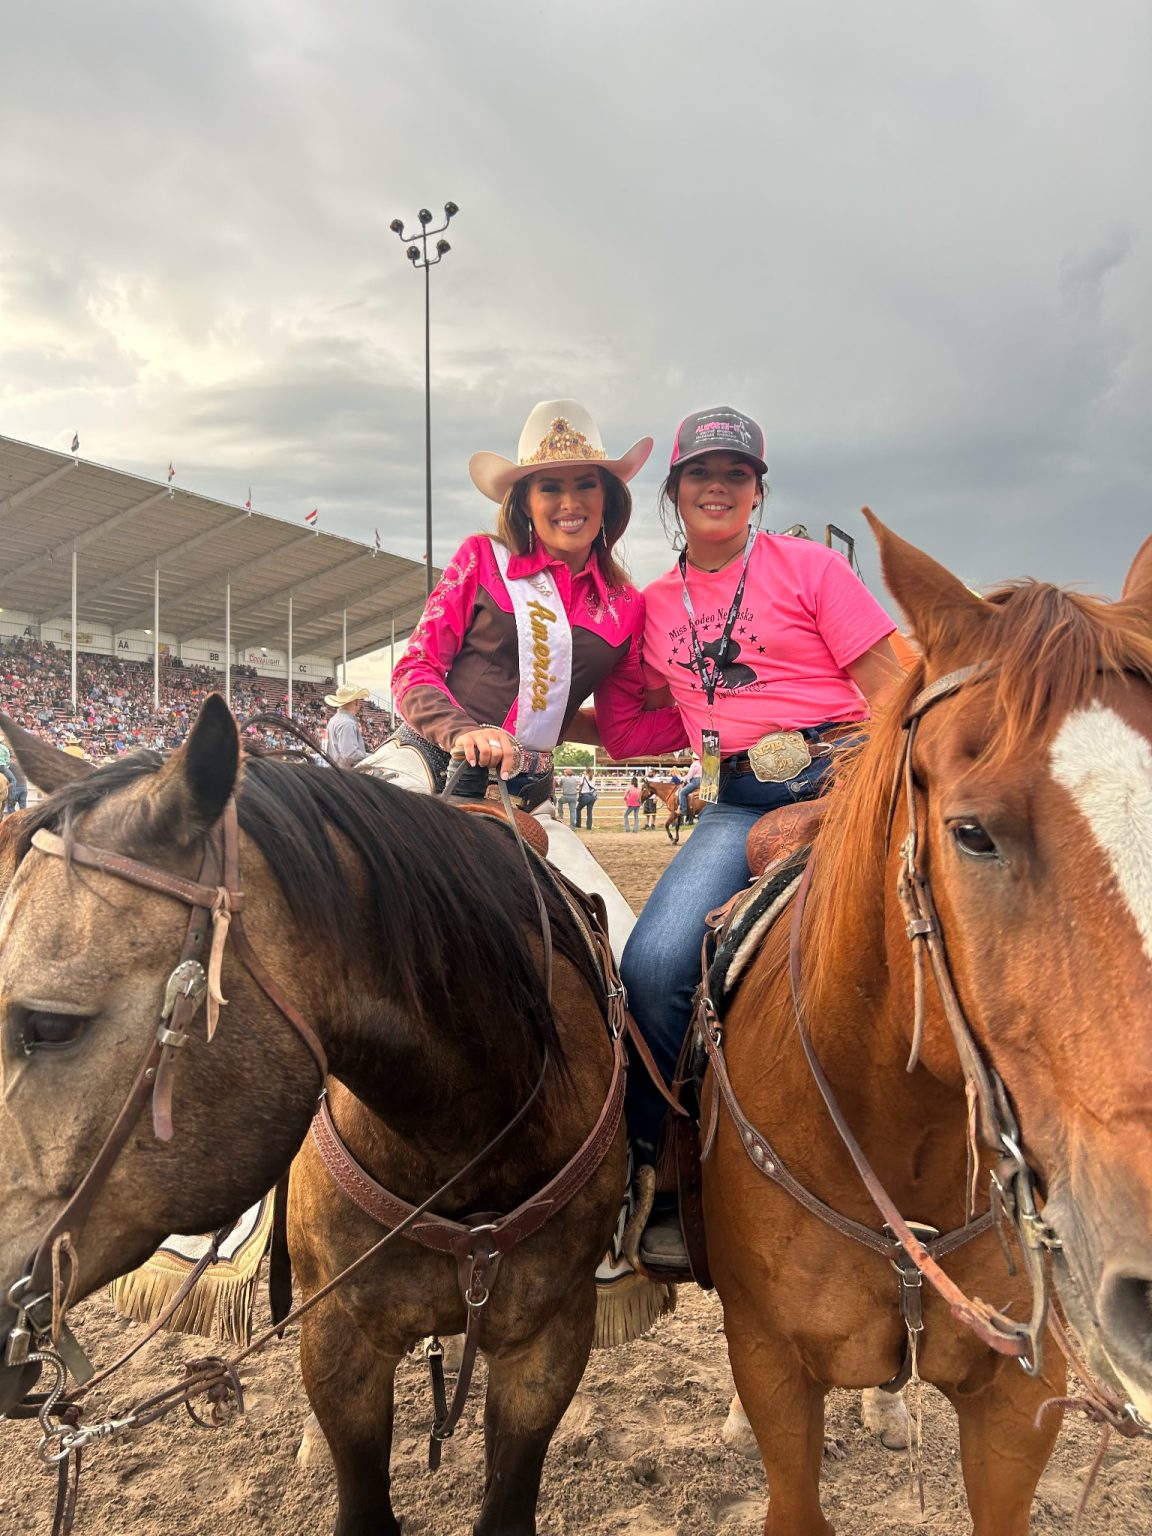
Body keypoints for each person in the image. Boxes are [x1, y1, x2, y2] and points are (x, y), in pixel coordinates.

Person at [619, 405, 903, 1267]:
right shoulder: (652, 606)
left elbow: (892, 685)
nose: (718, 486)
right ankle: (655, 1174)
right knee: (654, 967)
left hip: (847, 772)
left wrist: (873, 784)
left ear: (756, 491)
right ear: (675, 491)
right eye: (701, 473)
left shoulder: (811, 568)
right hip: (737, 799)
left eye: (735, 474)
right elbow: (631, 720)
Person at [376, 400, 684, 959]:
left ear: (608, 499)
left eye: (585, 485)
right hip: (428, 763)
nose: (569, 503)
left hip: (527, 799)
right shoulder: (481, 559)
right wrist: (463, 731)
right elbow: (414, 668)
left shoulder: (624, 608)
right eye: (550, 488)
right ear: (525, 502)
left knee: (622, 952)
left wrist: (709, 718)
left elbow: (624, 733)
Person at [325, 685, 370, 768]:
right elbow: (350, 755)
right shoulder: (347, 723)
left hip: (335, 771)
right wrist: (372, 757)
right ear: (356, 702)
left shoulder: (333, 720)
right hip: (345, 774)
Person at [676, 753, 702, 818]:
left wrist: (682, 779)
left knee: (682, 793)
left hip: (695, 781)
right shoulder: (701, 763)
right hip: (702, 781)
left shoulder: (694, 764)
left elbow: (689, 776)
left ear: (693, 758)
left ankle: (683, 810)